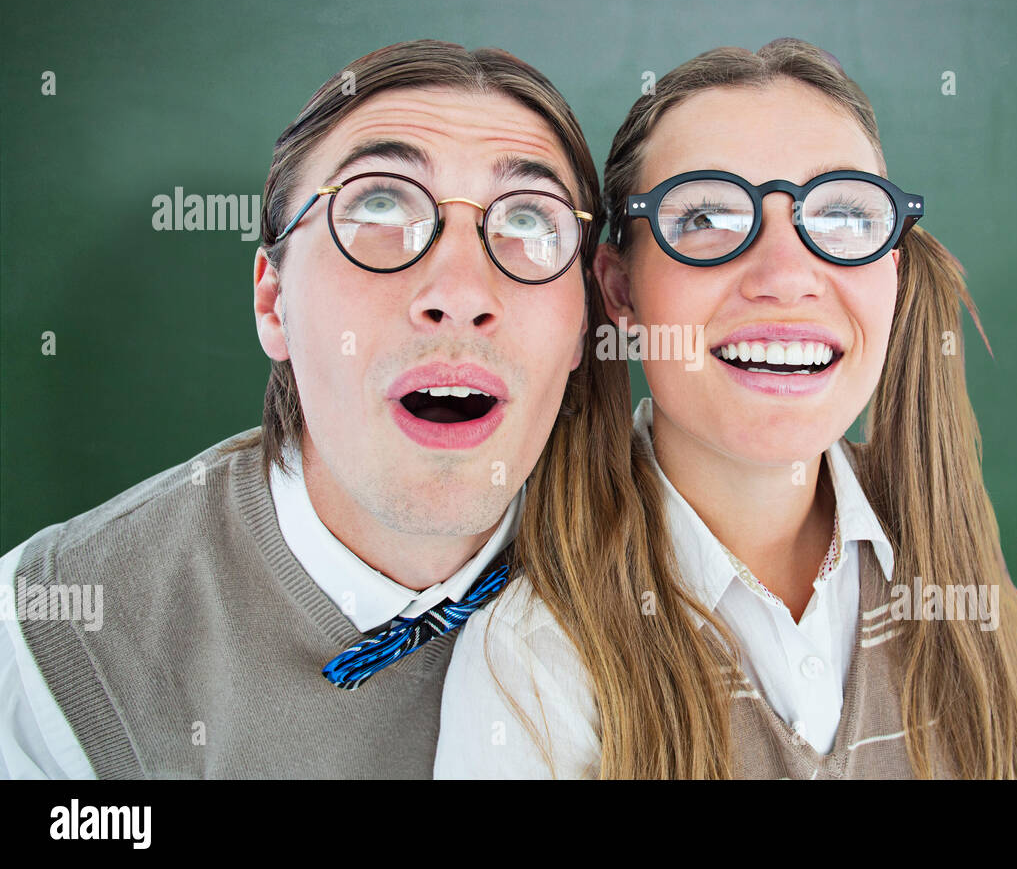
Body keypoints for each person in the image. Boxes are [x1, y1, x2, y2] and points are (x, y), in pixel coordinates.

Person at [436, 38, 1017, 779]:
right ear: (620, 291)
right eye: (707, 217)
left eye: (844, 218)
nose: (786, 275)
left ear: (890, 270)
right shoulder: (536, 658)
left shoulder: (953, 568)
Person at [0, 39, 602, 778]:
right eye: (380, 205)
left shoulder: (676, 580)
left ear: (580, 325)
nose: (462, 293)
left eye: (530, 222)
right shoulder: (56, 634)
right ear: (273, 300)